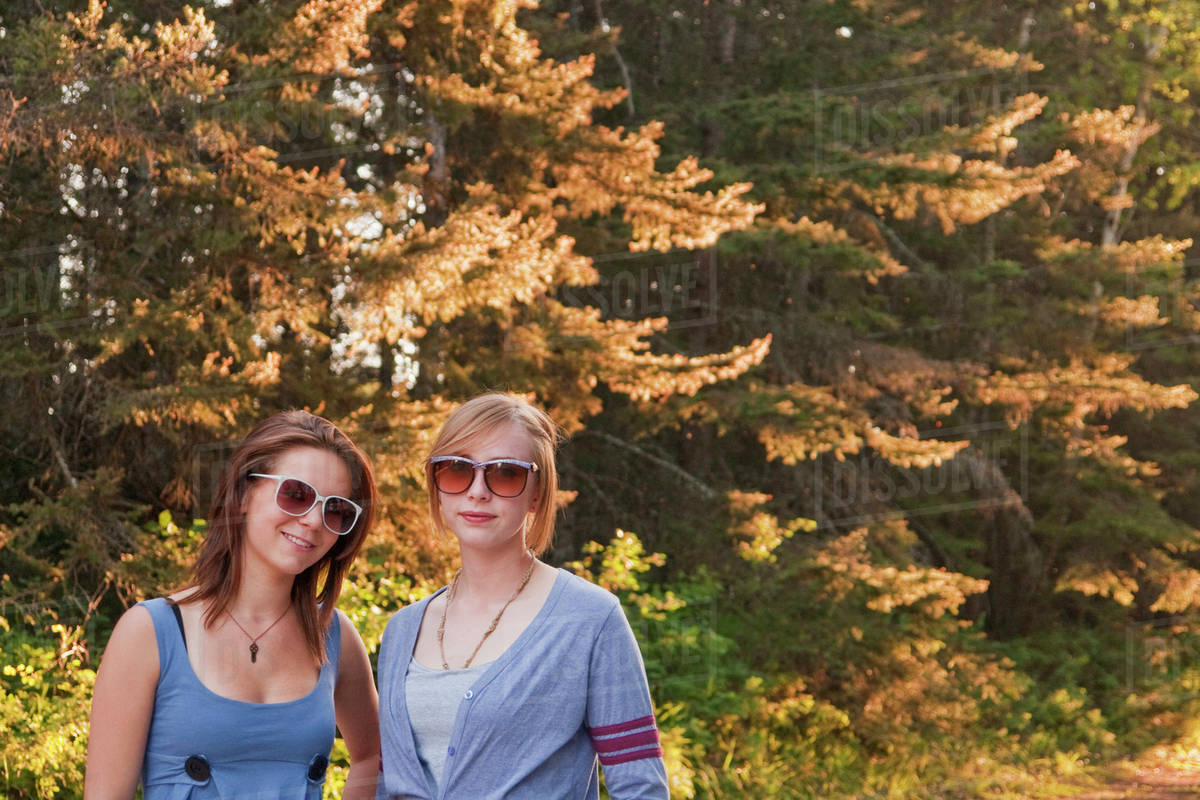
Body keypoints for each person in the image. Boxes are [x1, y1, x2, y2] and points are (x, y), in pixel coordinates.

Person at [376, 393, 669, 799]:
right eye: (457, 470)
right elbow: (383, 780)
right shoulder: (401, 630)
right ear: (436, 483)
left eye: (505, 474)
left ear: (537, 493)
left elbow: (641, 787)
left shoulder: (589, 619)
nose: (477, 491)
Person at [84, 410, 381, 800]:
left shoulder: (334, 636)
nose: (313, 520)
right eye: (296, 494)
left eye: (335, 509)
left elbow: (372, 758)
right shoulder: (150, 632)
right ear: (242, 494)